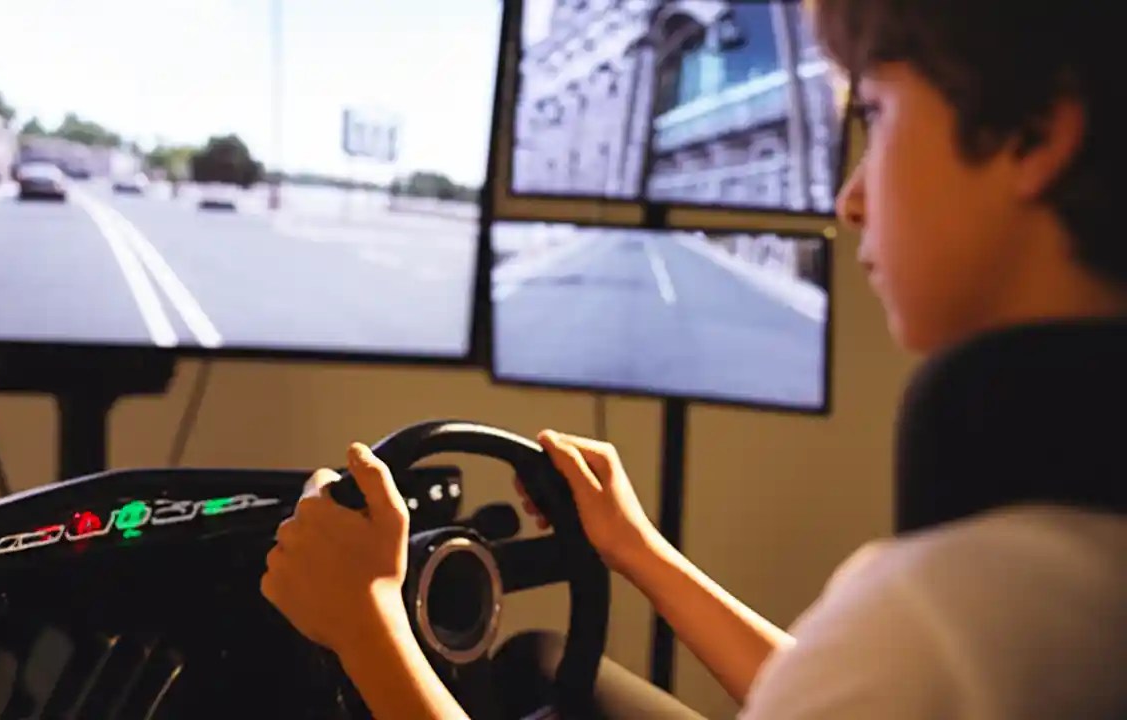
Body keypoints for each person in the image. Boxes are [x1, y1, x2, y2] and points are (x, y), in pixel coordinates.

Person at [260, 0, 1127, 717]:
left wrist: (368, 627)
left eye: (879, 116)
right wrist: (638, 550)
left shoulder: (952, 625)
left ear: (1033, 134)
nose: (850, 197)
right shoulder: (998, 607)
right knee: (543, 663)